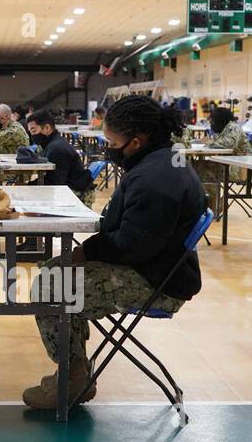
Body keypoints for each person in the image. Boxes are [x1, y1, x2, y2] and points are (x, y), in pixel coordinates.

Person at [22, 95, 207, 410]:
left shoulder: (157, 179)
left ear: (136, 142)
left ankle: (72, 378)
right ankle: (75, 368)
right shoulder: (160, 159)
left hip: (156, 282)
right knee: (56, 272)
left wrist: (85, 253)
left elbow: (131, 246)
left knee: (49, 287)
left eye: (111, 142)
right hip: (154, 267)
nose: (107, 148)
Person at [27, 109, 94, 206]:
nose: (32, 135)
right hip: (69, 187)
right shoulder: (54, 142)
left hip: (76, 194)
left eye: (33, 130)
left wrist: (28, 186)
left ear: (47, 127)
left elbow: (55, 183)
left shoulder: (56, 148)